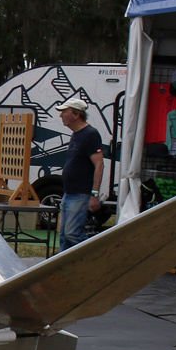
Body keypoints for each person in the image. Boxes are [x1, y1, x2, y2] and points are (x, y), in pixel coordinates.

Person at [56, 97, 104, 250]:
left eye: (64, 111)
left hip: (80, 193)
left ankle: (92, 258)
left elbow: (99, 164)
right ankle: (65, 268)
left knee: (72, 233)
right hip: (69, 192)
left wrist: (94, 194)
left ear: (76, 115)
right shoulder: (76, 134)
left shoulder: (90, 134)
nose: (61, 115)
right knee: (64, 234)